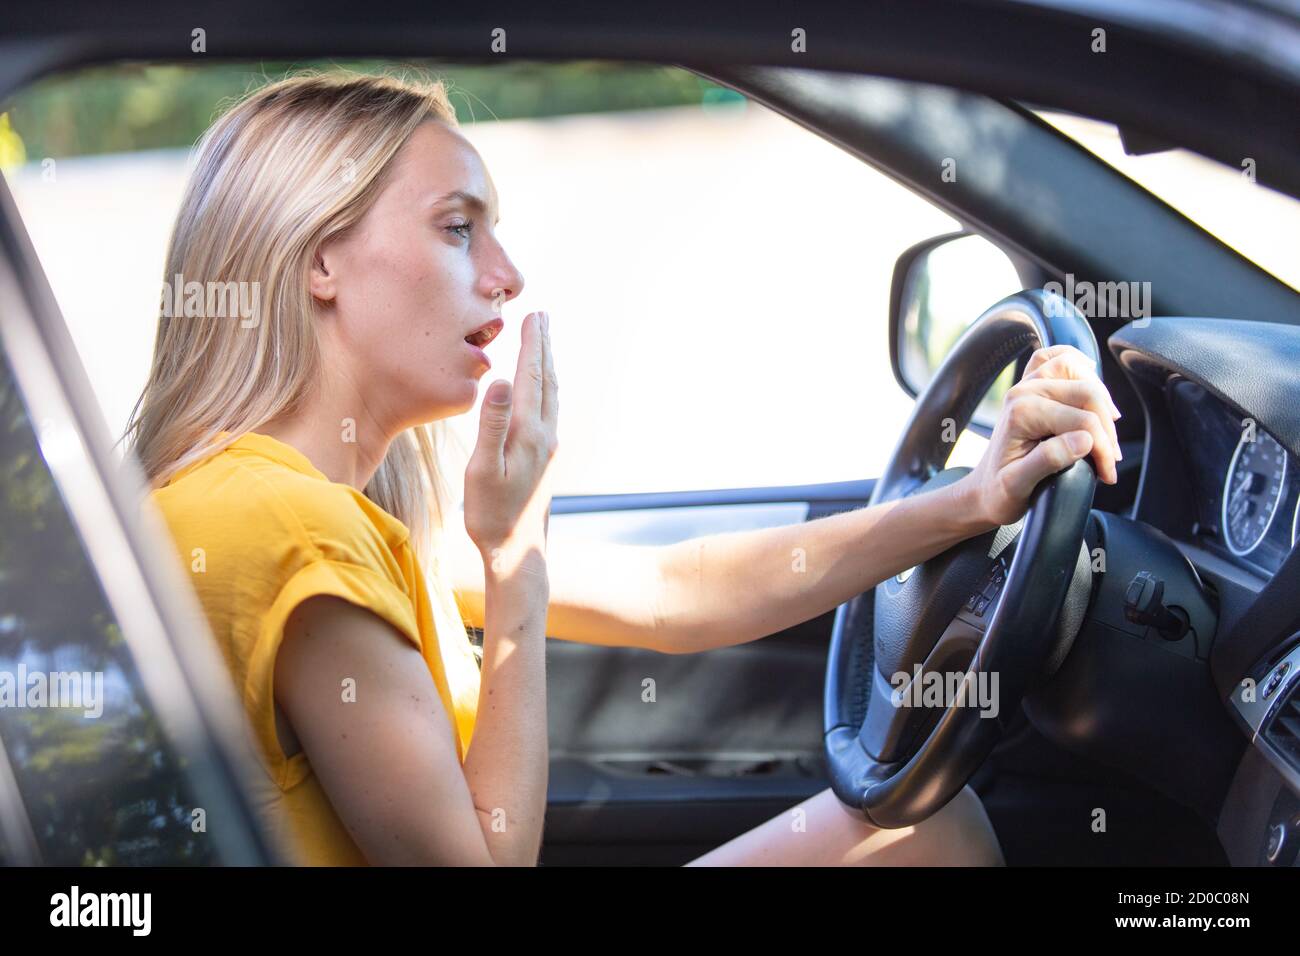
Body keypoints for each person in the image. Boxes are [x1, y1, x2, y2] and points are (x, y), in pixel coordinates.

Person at [129, 71, 1122, 866]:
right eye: (456, 226)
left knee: (918, 826)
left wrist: (973, 499)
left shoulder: (266, 505)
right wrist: (514, 563)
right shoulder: (294, 529)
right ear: (321, 261)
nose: (508, 274)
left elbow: (672, 591)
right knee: (926, 833)